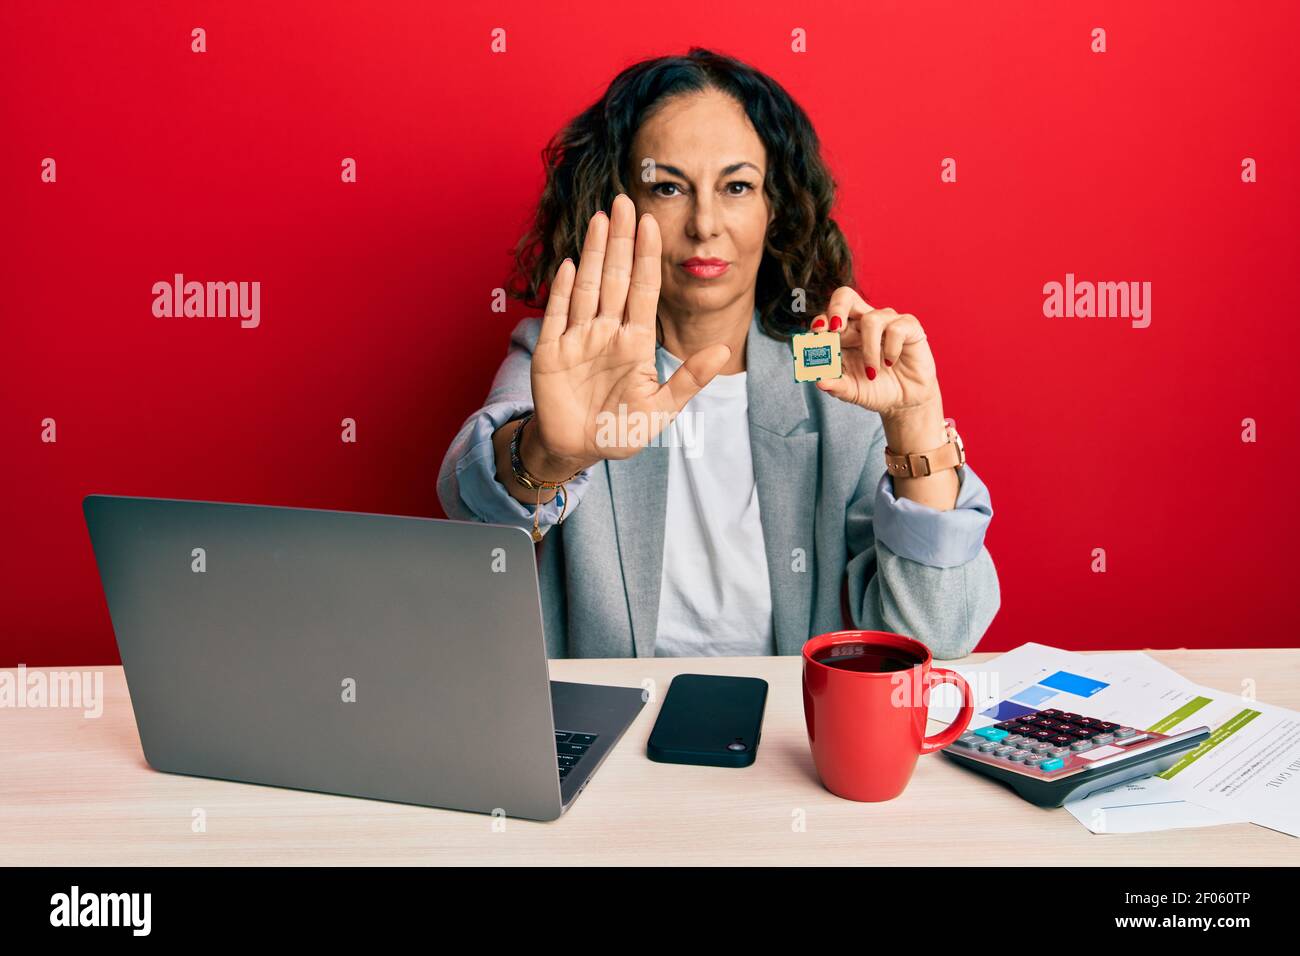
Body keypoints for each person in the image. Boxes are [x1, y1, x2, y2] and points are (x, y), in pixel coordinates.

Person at [438, 48, 1000, 660]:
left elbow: (940, 635)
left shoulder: (833, 372)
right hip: (614, 739)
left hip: (793, 740)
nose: (704, 223)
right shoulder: (572, 354)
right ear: (618, 201)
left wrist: (915, 428)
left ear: (774, 207)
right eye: (669, 187)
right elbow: (471, 514)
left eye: (736, 186)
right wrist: (549, 451)